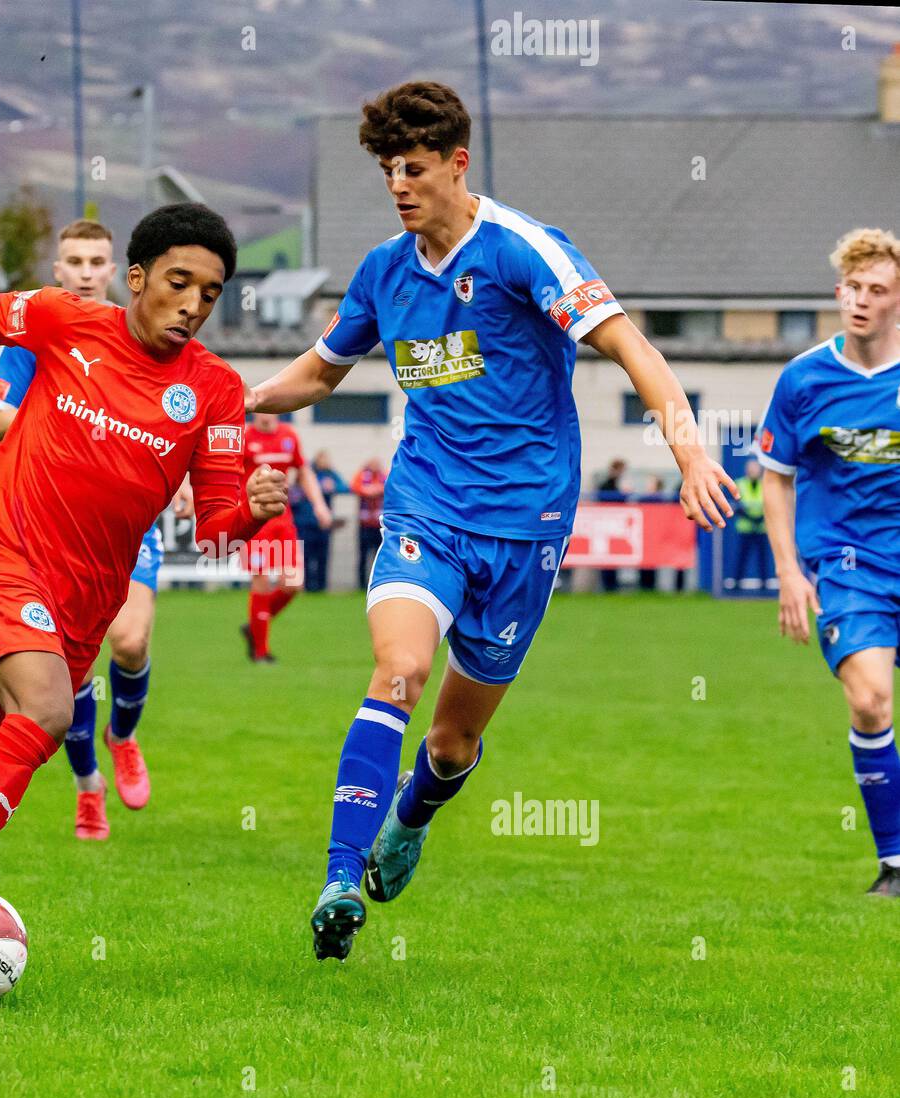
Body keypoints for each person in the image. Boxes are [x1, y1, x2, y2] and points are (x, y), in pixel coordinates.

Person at [247, 80, 735, 960]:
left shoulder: (522, 251)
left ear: (458, 163)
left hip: (526, 524)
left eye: (417, 168)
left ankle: (411, 816)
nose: (400, 185)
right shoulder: (382, 272)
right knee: (397, 670)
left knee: (453, 738)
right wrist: (229, 400)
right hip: (427, 504)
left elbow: (633, 345)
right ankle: (336, 879)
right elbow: (317, 376)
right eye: (389, 170)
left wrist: (691, 452)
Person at [0, 203, 288, 992]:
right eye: (179, 282)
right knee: (48, 712)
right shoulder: (67, 320)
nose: (193, 304)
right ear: (135, 278)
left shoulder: (216, 391)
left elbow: (215, 526)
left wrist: (255, 508)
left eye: (210, 293)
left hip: (84, 602)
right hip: (3, 554)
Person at [0, 218, 169, 839]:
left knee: (132, 642)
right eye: (74, 261)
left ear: (115, 272)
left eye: (97, 261)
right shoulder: (34, 334)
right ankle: (88, 787)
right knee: (72, 674)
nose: (86, 272)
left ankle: (124, 735)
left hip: (127, 523)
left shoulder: (140, 335)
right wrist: (72, 416)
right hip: (51, 530)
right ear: (57, 271)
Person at [759, 227, 900, 897]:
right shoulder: (805, 378)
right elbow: (776, 475)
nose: (862, 301)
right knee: (871, 699)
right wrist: (789, 568)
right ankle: (896, 861)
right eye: (853, 289)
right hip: (850, 564)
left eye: (878, 290)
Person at [240, 412, 331, 663]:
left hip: (282, 519)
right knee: (260, 581)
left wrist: (319, 505)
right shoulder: (244, 436)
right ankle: (261, 652)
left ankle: (255, 626)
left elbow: (304, 472)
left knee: (293, 583)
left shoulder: (289, 435)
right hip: (253, 520)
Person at [295, 450, 346, 592]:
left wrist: (333, 486)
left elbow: (345, 487)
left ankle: (321, 586)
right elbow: (295, 493)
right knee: (305, 557)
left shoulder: (331, 474)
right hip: (305, 523)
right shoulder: (307, 475)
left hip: (323, 525)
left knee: (322, 557)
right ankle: (306, 586)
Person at [734, 457, 771, 591]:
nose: (753, 470)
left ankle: (764, 583)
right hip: (746, 527)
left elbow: (770, 505)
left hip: (761, 528)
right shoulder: (739, 484)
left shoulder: (766, 484)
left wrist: (760, 518)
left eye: (755, 468)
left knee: (763, 557)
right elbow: (735, 506)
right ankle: (737, 583)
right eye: (751, 468)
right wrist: (750, 518)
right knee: (742, 557)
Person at [351, 458, 386, 588]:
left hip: (380, 525)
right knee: (363, 556)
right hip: (365, 524)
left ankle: (379, 582)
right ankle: (361, 584)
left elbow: (390, 487)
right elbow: (354, 486)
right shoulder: (362, 475)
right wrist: (368, 490)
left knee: (379, 557)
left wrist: (378, 489)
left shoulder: (384, 476)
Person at [595, 458, 629, 591]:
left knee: (614, 555)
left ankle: (611, 585)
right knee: (607, 556)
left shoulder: (614, 484)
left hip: (614, 524)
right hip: (607, 523)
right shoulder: (607, 485)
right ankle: (608, 585)